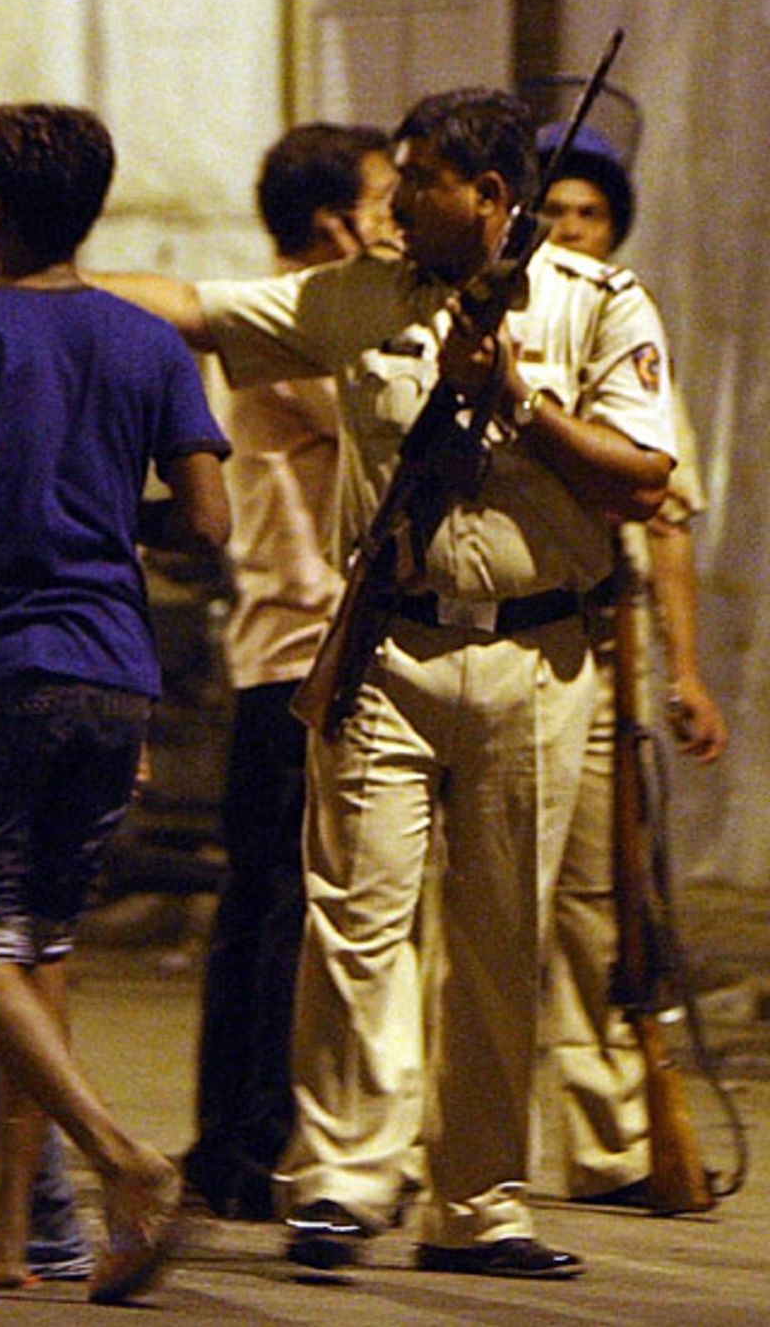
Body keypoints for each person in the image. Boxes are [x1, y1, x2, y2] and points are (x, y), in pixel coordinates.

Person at [93, 87, 676, 1279]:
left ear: (491, 196)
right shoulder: (357, 298)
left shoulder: (599, 304)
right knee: (357, 920)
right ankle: (347, 1180)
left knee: (501, 932)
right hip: (389, 650)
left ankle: (477, 1203)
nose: (396, 201)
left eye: (418, 180)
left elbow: (643, 474)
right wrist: (50, 281)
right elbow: (198, 312)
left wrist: (518, 398)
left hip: (536, 653)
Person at [0, 102, 231, 1304]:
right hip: (117, 672)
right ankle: (5, 1230)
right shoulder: (150, 345)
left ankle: (125, 1159)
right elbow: (208, 519)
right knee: (43, 938)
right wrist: (98, 519)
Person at [181, 121, 400, 1222]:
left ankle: (246, 1138)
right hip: (300, 649)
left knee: (275, 903)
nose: (400, 214)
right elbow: (393, 414)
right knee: (285, 909)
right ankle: (250, 1139)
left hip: (298, 646)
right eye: (386, 197)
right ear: (334, 224)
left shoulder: (317, 317)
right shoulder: (306, 326)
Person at [532, 121, 729, 1205]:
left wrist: (685, 673)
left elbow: (667, 520)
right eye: (553, 212)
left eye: (588, 216)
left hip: (602, 654)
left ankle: (611, 1140)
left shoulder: (625, 341)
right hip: (495, 642)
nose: (569, 230)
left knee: (603, 905)